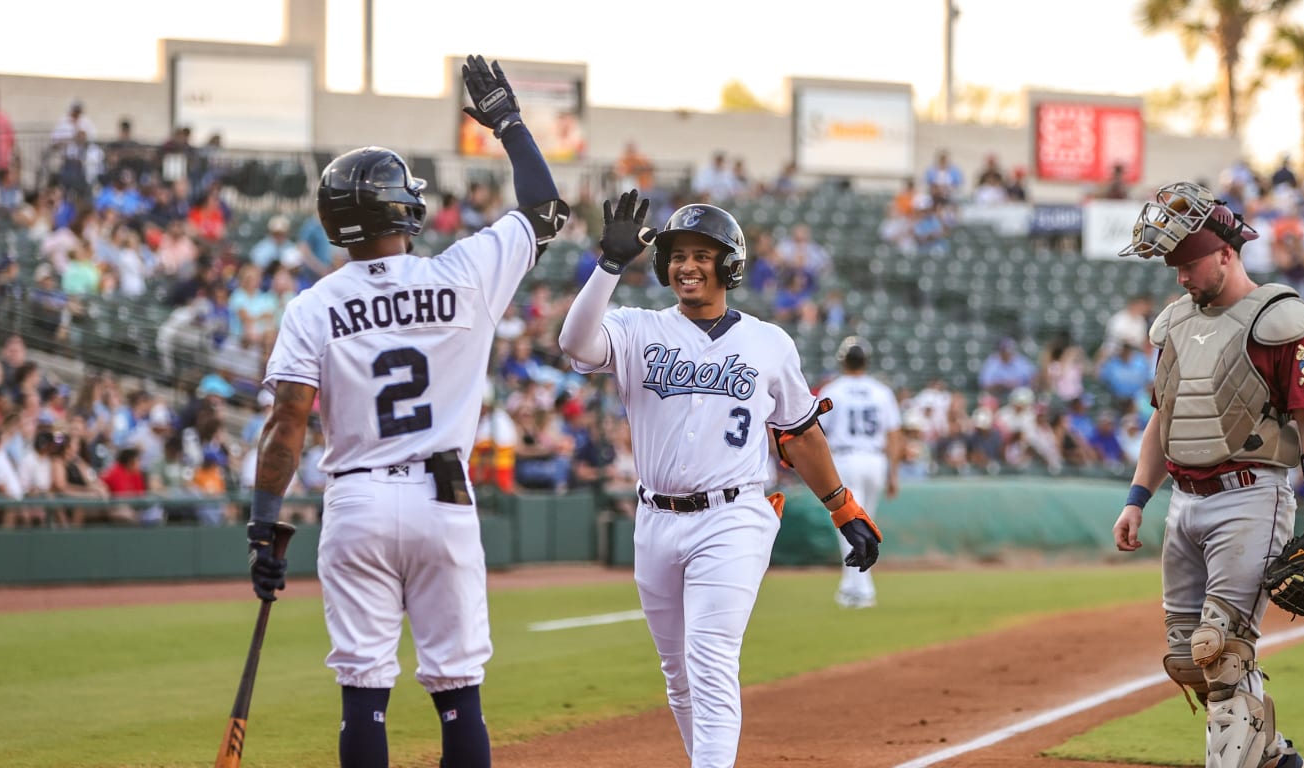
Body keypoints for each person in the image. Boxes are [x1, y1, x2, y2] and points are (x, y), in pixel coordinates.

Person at [245, 55, 569, 768]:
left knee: (363, 692)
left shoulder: (313, 305)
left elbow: (287, 426)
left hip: (355, 501)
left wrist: (265, 524)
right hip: (442, 497)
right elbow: (547, 211)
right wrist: (509, 124)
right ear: (405, 209)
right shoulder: (463, 274)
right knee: (459, 693)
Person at [558, 190, 881, 768]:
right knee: (677, 674)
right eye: (679, 254)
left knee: (710, 657)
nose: (688, 265)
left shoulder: (767, 342)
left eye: (703, 255)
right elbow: (574, 342)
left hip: (734, 515)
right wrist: (610, 264)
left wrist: (843, 508)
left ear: (728, 263)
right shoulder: (638, 328)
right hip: (655, 517)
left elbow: (800, 434)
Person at [1111, 181, 1304, 768]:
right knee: (1188, 659)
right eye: (1174, 268)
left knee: (1222, 653)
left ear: (1225, 253)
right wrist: (1138, 496)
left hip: (1251, 497)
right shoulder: (1171, 326)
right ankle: (1273, 759)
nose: (1181, 277)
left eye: (1189, 264)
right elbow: (1164, 419)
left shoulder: (1280, 319)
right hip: (1184, 502)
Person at [817, 336, 901, 609]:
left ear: (842, 360)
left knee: (848, 523)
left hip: (845, 459)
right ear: (866, 360)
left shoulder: (833, 390)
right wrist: (893, 474)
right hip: (875, 460)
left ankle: (859, 589)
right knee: (866, 521)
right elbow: (893, 435)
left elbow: (817, 434)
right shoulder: (881, 391)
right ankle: (854, 587)